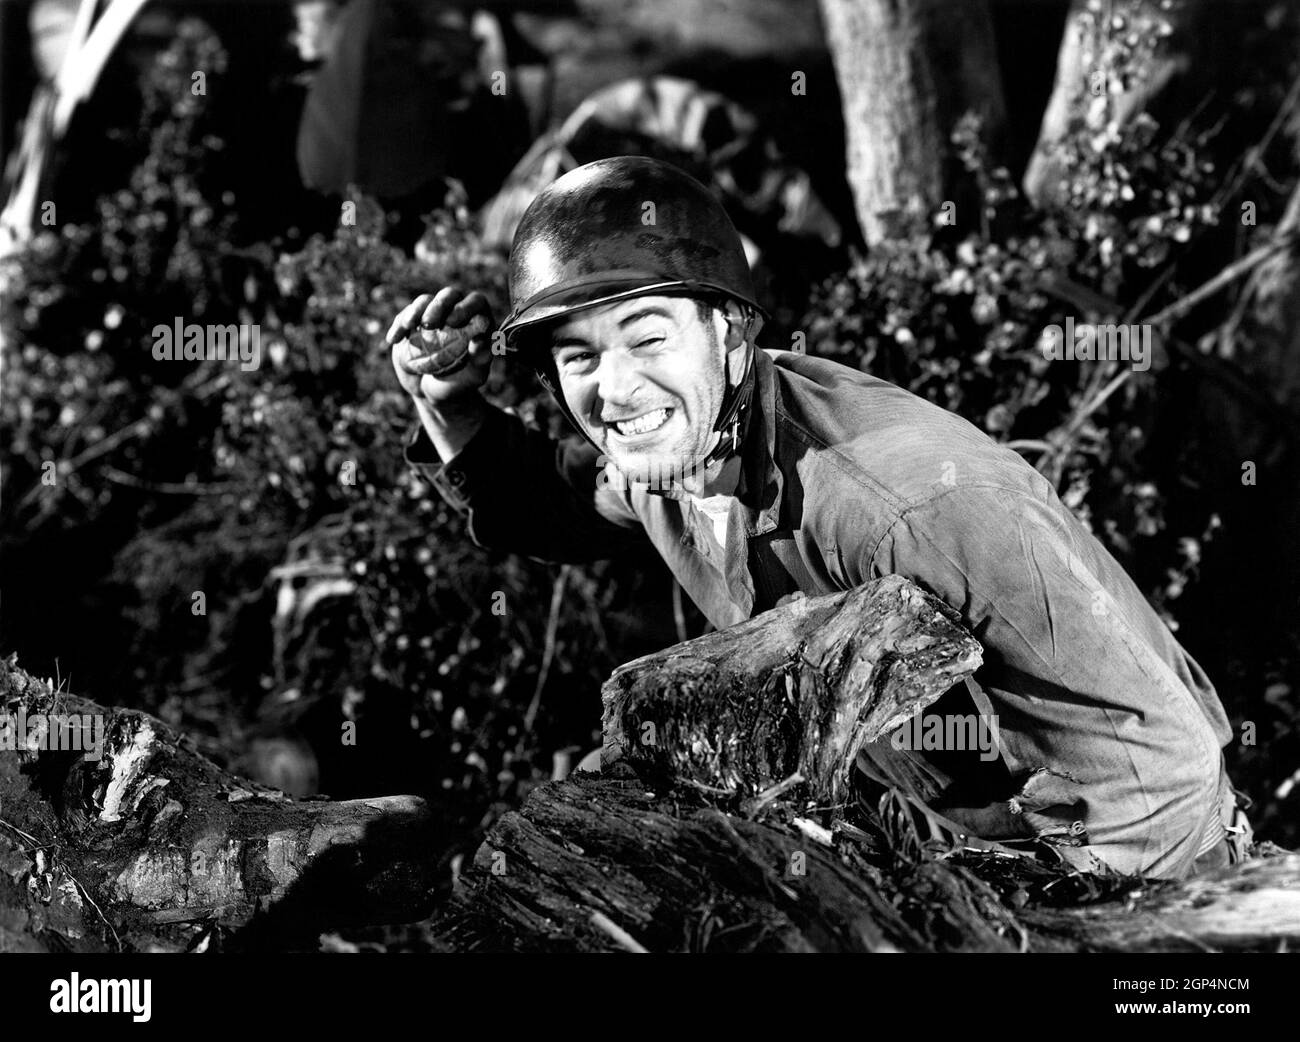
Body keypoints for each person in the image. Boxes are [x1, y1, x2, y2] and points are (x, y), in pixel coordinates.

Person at [386, 156, 1249, 880]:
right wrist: (450, 412)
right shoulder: (675, 443)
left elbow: (1152, 760)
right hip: (937, 842)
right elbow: (568, 502)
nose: (614, 390)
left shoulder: (906, 506)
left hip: (1139, 863)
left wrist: (1034, 918)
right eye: (579, 357)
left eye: (647, 339)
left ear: (731, 333)